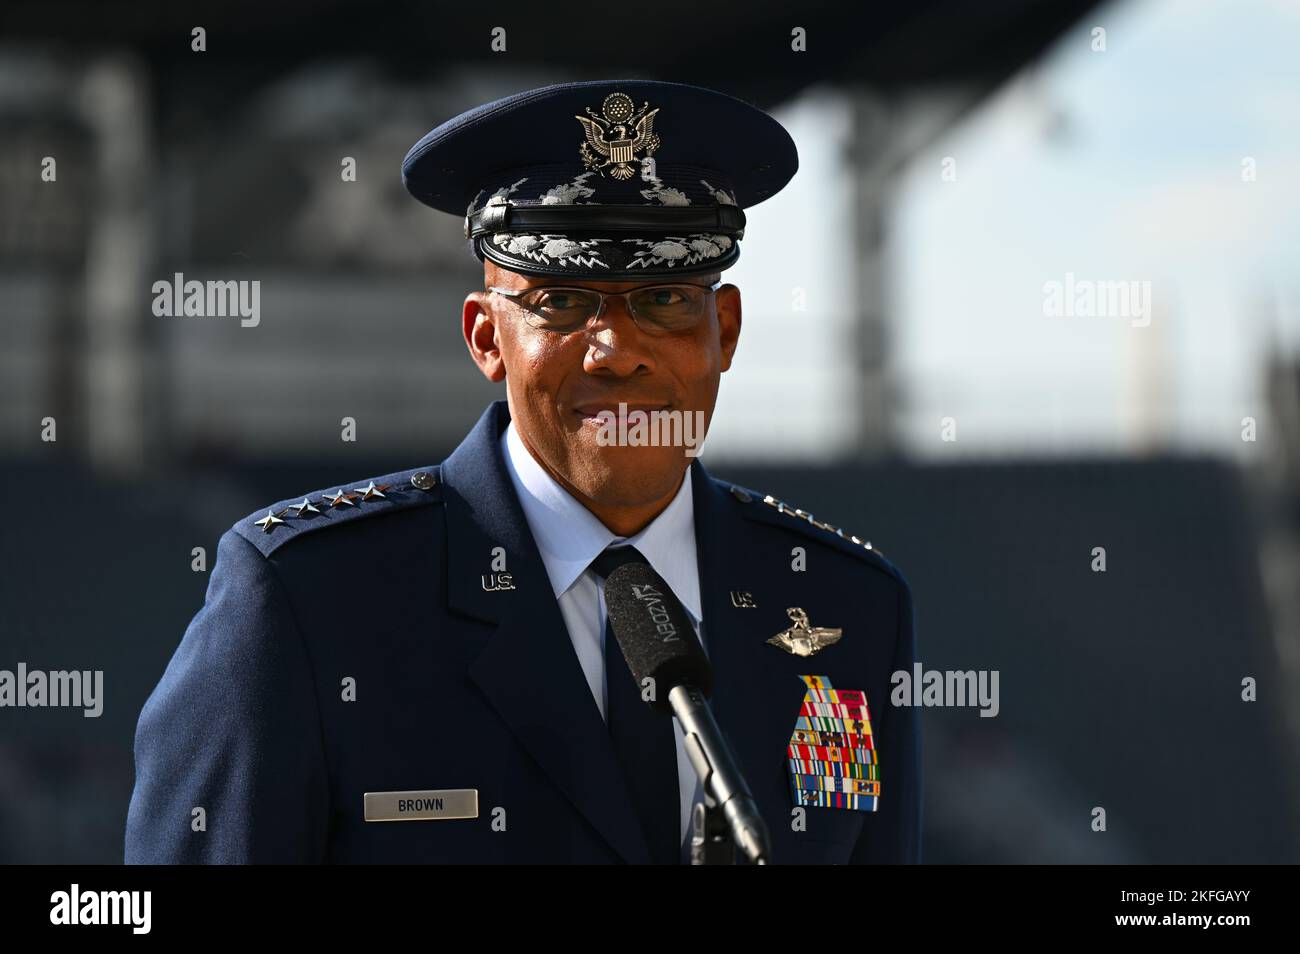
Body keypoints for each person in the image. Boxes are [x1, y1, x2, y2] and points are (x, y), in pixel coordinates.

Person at [125, 79, 921, 864]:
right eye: (565, 302)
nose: (618, 351)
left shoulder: (843, 605)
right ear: (486, 338)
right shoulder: (308, 603)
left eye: (667, 298)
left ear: (726, 330)